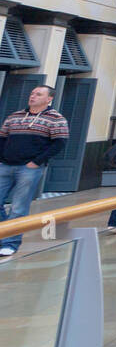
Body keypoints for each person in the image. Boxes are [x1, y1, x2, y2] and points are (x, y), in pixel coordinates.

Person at [0, 83, 66, 258]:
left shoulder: (56, 119)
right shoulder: (15, 116)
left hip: (29, 168)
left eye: (38, 94)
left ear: (49, 98)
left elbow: (59, 143)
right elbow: (2, 138)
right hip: (5, 165)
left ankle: (10, 243)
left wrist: (36, 162)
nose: (33, 96)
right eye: (32, 93)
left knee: (18, 207)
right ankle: (3, 234)